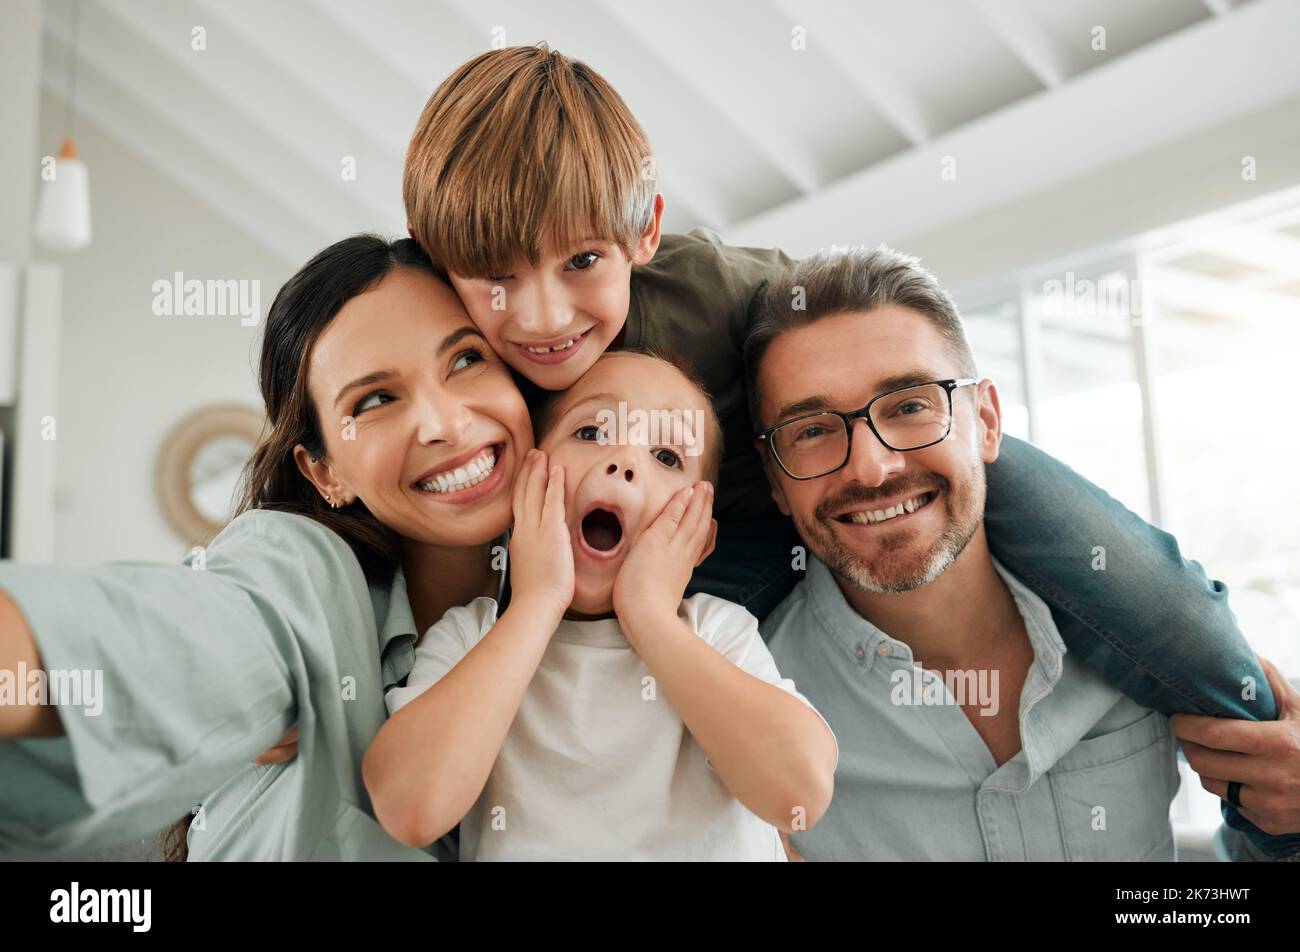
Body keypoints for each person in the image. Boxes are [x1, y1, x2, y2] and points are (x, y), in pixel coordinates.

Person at [400, 43, 1293, 854]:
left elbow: (864, 353)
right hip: (711, 525)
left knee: (1139, 591)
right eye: (497, 279)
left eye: (581, 264)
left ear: (643, 233)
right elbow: (396, 511)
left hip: (779, 479)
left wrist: (890, 418)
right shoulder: (468, 371)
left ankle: (1266, 736)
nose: (546, 318)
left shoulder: (730, 296)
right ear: (444, 265)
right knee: (606, 651)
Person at [746, 246, 1297, 860]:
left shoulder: (1148, 642)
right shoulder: (746, 706)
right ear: (773, 478)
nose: (872, 469)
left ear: (985, 420)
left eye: (908, 406)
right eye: (813, 430)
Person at [0, 235, 533, 859]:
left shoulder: (616, 605)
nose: (445, 423)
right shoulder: (301, 581)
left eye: (466, 360)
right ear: (324, 473)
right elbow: (163, 645)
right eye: (377, 400)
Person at [364, 350, 837, 859]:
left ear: (698, 539)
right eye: (591, 433)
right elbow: (411, 807)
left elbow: (799, 795)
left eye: (667, 457)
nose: (624, 464)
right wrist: (537, 602)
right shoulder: (471, 636)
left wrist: (650, 617)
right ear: (525, 481)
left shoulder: (715, 632)